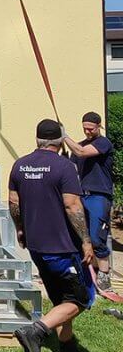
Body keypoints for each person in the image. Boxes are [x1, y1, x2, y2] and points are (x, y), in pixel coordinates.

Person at [8, 117, 96, 352]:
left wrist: (20, 229)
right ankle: (36, 331)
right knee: (81, 299)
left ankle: (67, 348)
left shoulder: (20, 165)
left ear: (37, 139)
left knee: (61, 298)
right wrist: (86, 241)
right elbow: (72, 206)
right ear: (59, 141)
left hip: (36, 246)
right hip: (63, 247)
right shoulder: (65, 167)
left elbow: (14, 203)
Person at [61, 111, 114, 292]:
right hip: (81, 195)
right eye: (85, 128)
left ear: (99, 126)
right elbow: (73, 167)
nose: (88, 132)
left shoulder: (103, 143)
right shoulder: (80, 145)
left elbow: (81, 152)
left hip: (99, 195)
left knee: (97, 237)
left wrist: (64, 136)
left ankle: (104, 277)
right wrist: (64, 159)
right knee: (80, 236)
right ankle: (86, 274)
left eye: (91, 128)